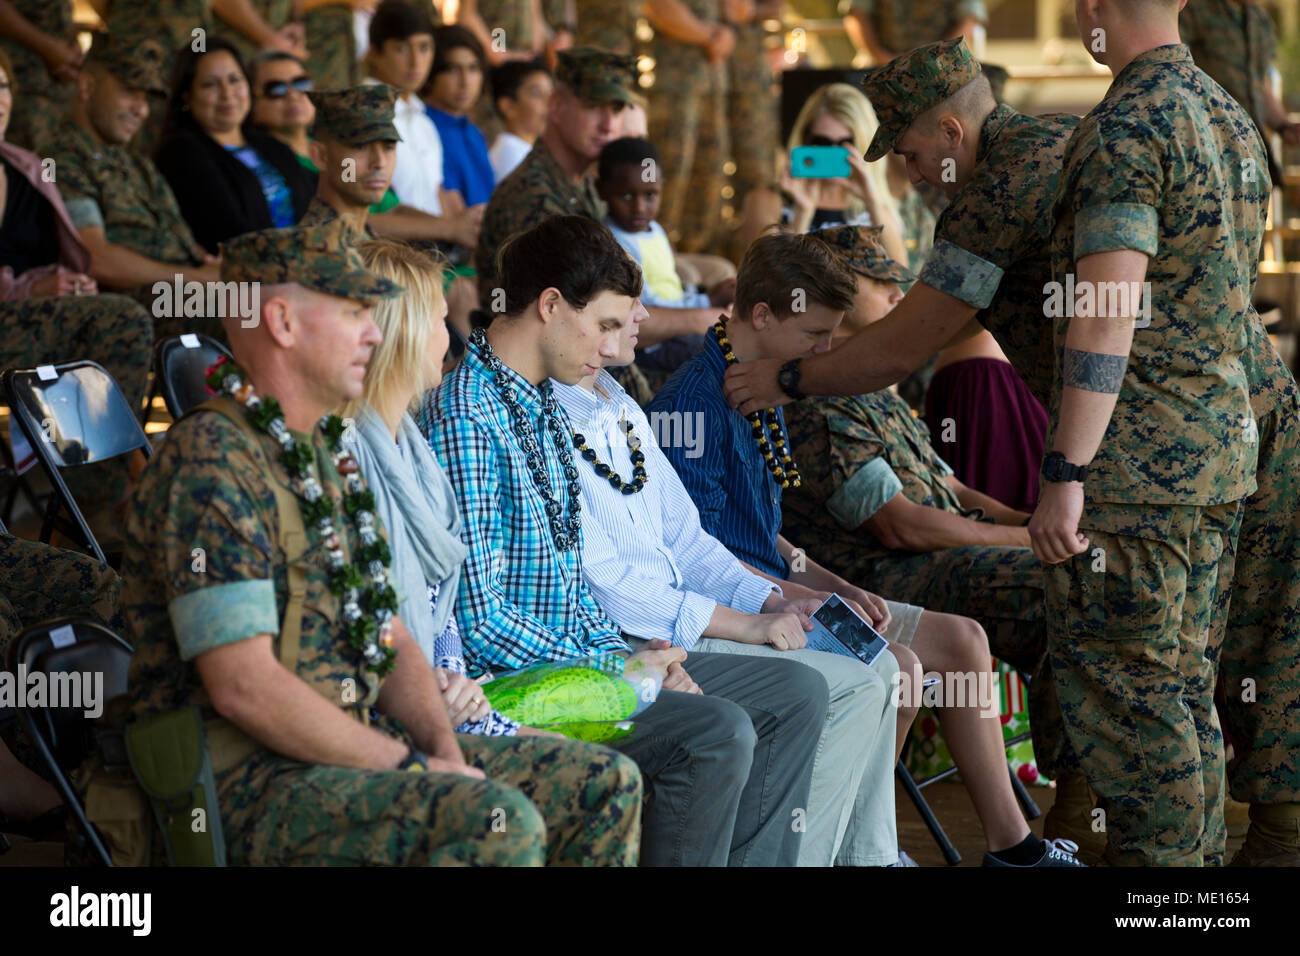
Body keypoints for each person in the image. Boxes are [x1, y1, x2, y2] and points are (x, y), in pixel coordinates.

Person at [117, 220, 643, 866]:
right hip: (243, 783)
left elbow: (386, 631)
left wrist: (443, 750)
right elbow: (243, 688)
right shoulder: (212, 463)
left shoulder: (320, 453)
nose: (375, 331)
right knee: (494, 825)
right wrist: (411, 766)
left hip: (351, 748)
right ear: (281, 322)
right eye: (354, 311)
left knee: (602, 785)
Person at [650, 230, 1082, 867]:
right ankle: (858, 852)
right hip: (739, 609)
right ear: (763, 316)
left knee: (953, 644)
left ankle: (999, 849)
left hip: (785, 589)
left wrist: (833, 586)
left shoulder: (760, 384)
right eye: (814, 334)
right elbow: (698, 552)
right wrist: (805, 593)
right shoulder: (693, 405)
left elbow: (762, 529)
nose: (825, 350)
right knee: (898, 667)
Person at [422, 214, 828, 867]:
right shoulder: (471, 417)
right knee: (715, 733)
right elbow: (481, 618)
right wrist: (622, 670)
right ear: (552, 306)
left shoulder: (540, 399)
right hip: (517, 686)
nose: (612, 347)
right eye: (604, 324)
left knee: (796, 695)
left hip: (582, 661)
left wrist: (634, 660)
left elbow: (574, 571)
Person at [1032, 0, 1271, 868]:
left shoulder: (1127, 126)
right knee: (1180, 702)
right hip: (1218, 461)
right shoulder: (1228, 114)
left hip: (1135, 479)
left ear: (1095, 8)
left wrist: (1067, 468)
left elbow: (1104, 313)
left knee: (1139, 719)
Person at [552, 289, 911, 868]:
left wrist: (777, 595)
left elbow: (692, 544)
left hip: (695, 615)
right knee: (850, 682)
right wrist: (755, 618)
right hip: (644, 637)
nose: (645, 316)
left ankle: (867, 859)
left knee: (883, 665)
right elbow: (609, 583)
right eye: (622, 309)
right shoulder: (684, 400)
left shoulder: (617, 400)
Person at [781, 224, 1075, 844]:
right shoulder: (818, 393)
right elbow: (900, 524)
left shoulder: (872, 387)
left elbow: (952, 488)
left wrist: (1032, 522)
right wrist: (1025, 543)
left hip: (942, 557)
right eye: (875, 280)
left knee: (1085, 579)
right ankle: (1076, 799)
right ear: (828, 294)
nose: (896, 291)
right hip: (880, 576)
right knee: (1064, 588)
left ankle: (1068, 804)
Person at [0, 46, 155, 521]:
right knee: (123, 322)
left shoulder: (24, 165)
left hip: (32, 319)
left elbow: (60, 257)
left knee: (117, 317)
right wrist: (34, 290)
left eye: (2, 86)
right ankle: (95, 508)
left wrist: (71, 285)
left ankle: (140, 489)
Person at [478, 47, 715, 356]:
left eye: (616, 110)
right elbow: (583, 318)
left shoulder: (585, 183)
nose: (608, 124)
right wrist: (701, 318)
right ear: (557, 107)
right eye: (594, 107)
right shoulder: (535, 197)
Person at [46, 34, 223, 337]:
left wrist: (216, 267)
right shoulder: (62, 161)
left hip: (182, 291)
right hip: (131, 305)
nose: (141, 110)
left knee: (279, 293)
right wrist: (195, 279)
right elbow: (94, 258)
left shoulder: (136, 163)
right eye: (130, 92)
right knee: (245, 309)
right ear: (87, 87)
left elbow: (179, 239)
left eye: (146, 99)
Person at [300, 84, 480, 337]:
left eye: (388, 146)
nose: (379, 162)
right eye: (359, 146)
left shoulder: (362, 235)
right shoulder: (322, 249)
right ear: (320, 156)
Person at [154, 37, 316, 255]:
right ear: (187, 97)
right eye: (210, 84)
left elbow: (319, 205)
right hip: (254, 277)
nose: (227, 93)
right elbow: (230, 234)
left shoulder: (269, 145)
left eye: (234, 80)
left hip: (306, 261)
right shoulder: (182, 152)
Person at [596, 136, 731, 373]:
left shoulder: (654, 230)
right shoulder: (614, 244)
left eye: (650, 195)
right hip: (654, 346)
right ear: (602, 190)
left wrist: (707, 295)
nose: (639, 207)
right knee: (720, 349)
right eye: (626, 196)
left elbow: (669, 287)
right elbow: (644, 307)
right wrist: (705, 302)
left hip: (680, 318)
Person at [736, 83, 907, 267]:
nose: (833, 152)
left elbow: (900, 277)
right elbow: (768, 275)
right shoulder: (767, 201)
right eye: (821, 141)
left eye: (847, 143)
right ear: (804, 140)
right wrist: (803, 214)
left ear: (865, 145)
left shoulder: (878, 207)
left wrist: (872, 202)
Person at [1179, 0, 1300, 185]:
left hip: (1250, 146)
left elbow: (1260, 82)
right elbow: (1175, 68)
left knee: (1251, 206)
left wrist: (1282, 124)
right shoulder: (1195, 10)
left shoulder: (1260, 20)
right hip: (1209, 144)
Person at [422, 25, 495, 207]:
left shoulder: (474, 132)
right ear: (431, 74)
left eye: (473, 69)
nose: (466, 82)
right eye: (453, 70)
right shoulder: (424, 129)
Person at [0, 0, 80, 153]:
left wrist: (72, 49)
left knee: (47, 168)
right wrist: (48, 48)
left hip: (58, 88)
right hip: (24, 84)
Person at [844, 0, 986, 66]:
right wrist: (882, 57)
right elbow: (857, 17)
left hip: (940, 62)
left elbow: (969, 20)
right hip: (878, 62)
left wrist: (936, 58)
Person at [487, 58, 553, 182]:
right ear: (508, 106)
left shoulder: (526, 151)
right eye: (537, 94)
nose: (548, 103)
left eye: (550, 94)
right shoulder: (510, 154)